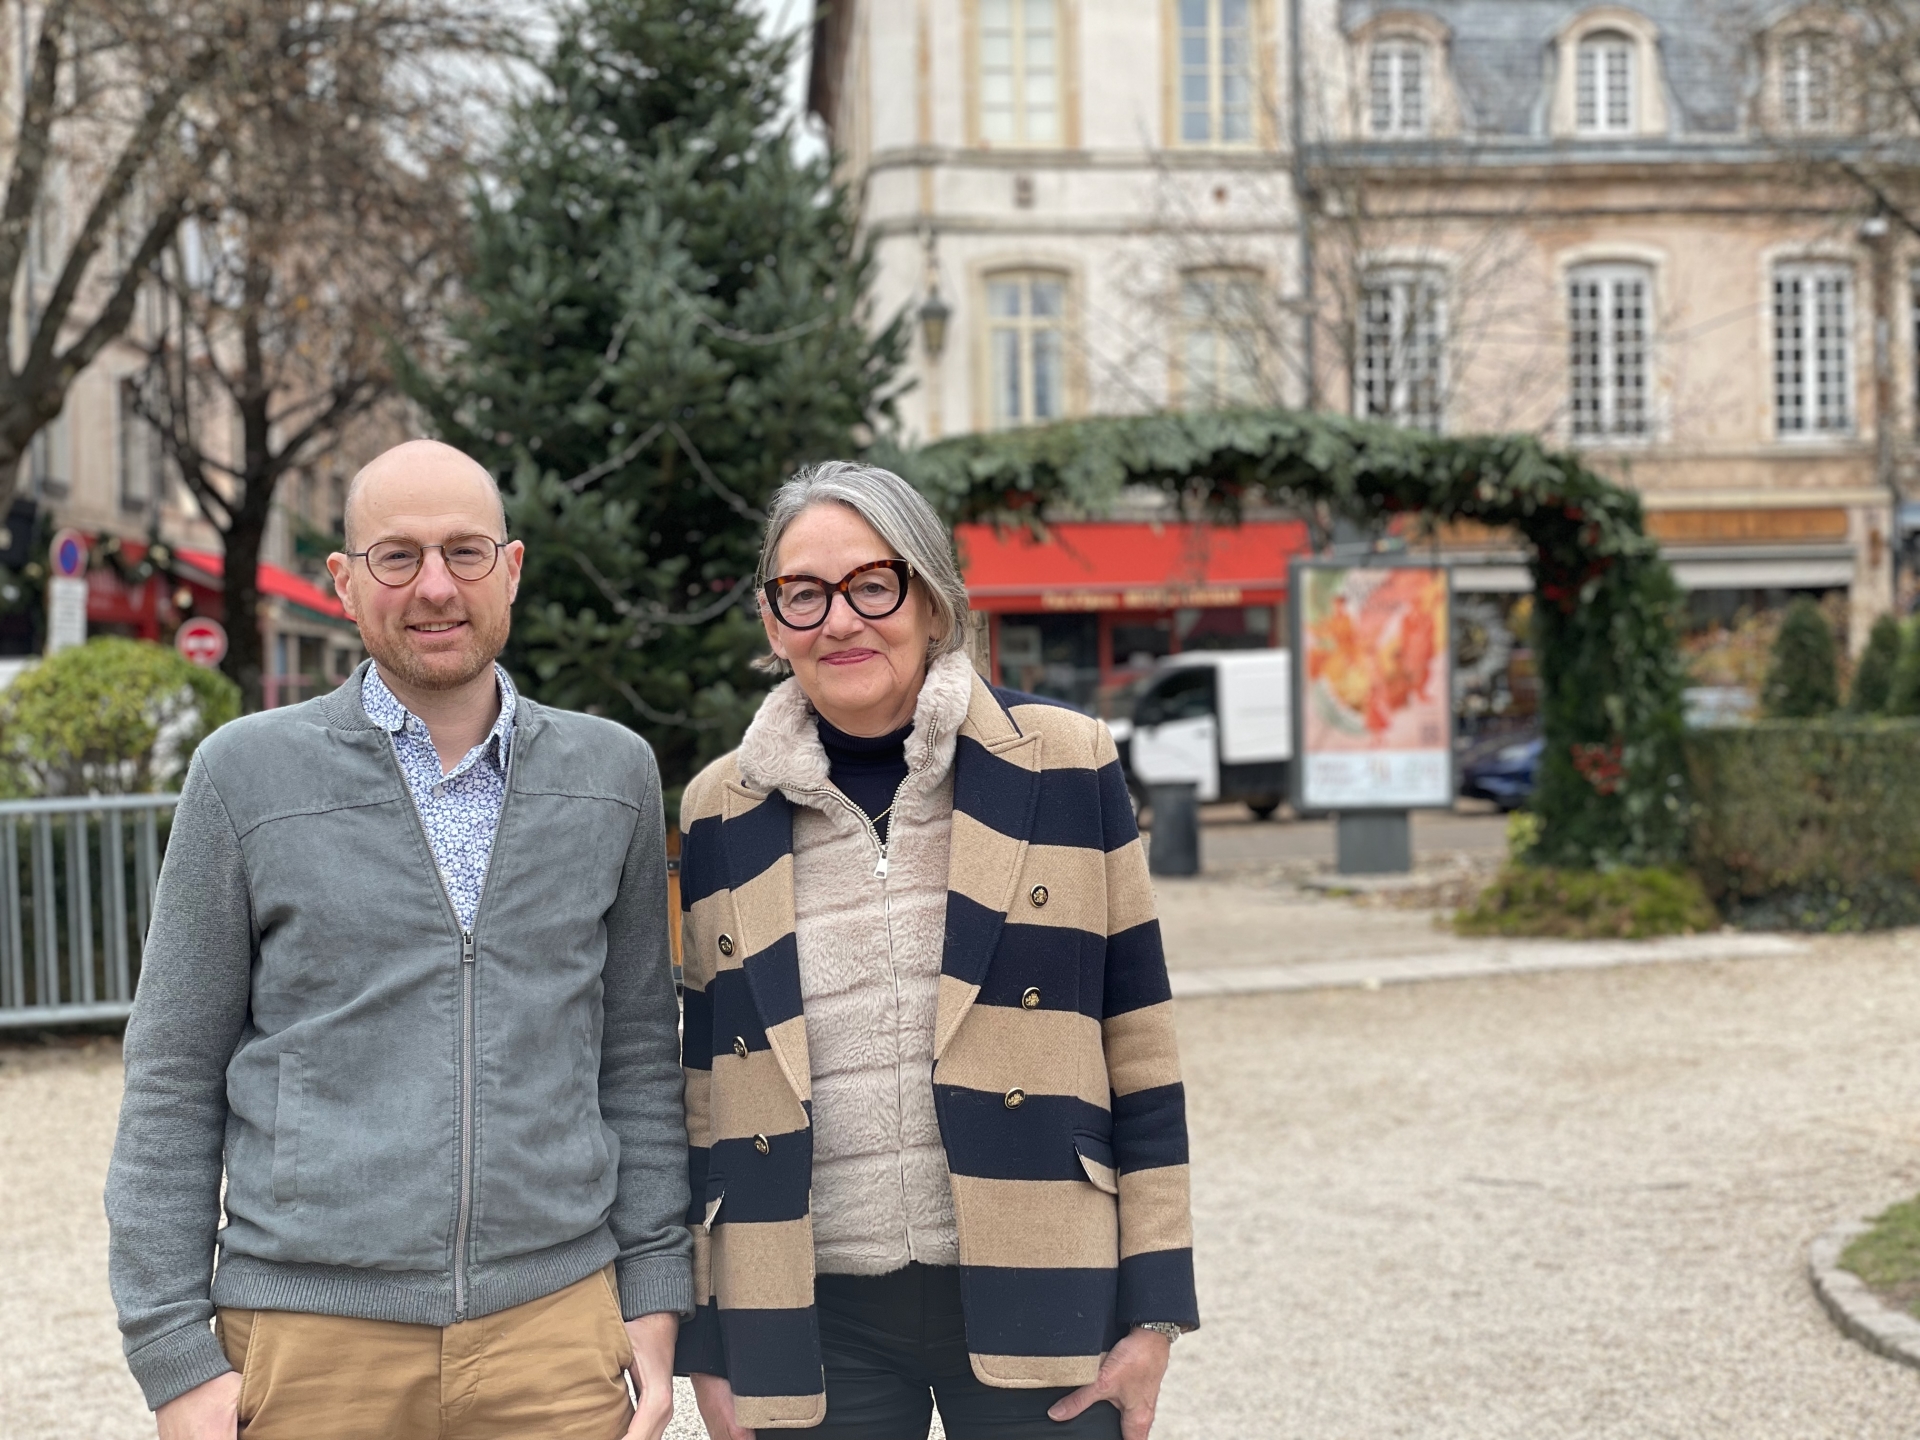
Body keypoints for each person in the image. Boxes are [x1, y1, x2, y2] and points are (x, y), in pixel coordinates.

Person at [105, 440, 691, 1440]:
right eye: (397, 556)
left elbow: (637, 1058)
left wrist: (654, 1295)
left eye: (465, 552)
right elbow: (172, 1072)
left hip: (554, 1338)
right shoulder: (244, 777)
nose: (435, 587)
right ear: (343, 581)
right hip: (308, 1345)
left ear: (511, 568)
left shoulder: (613, 778)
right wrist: (172, 1355)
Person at [675, 461, 1197, 1440]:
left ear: (931, 600)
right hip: (807, 1309)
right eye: (804, 593)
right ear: (773, 620)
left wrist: (1156, 1311)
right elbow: (705, 1086)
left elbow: (1139, 1045)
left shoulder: (1064, 762)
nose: (840, 620)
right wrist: (709, 1338)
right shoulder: (719, 809)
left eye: (874, 585)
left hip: (1044, 1279)